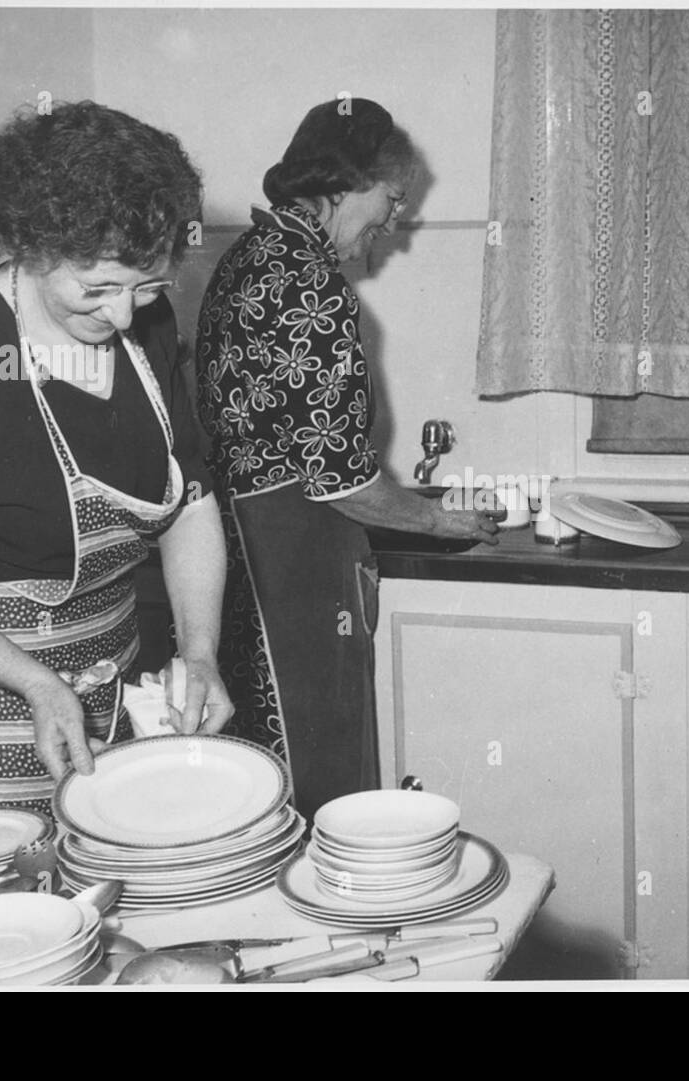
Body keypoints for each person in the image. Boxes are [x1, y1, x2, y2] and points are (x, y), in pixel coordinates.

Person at [0, 102, 234, 818]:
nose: (125, 316)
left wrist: (201, 651)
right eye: (96, 289)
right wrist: (35, 681)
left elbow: (190, 501)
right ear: (29, 246)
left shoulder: (144, 333)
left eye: (147, 285)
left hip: (111, 687)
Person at [196, 98, 500, 820]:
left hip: (238, 556)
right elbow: (342, 482)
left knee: (260, 783)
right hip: (296, 561)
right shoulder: (314, 285)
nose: (394, 220)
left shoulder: (247, 257)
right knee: (322, 777)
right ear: (342, 185)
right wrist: (442, 520)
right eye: (392, 199)